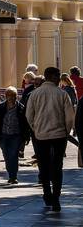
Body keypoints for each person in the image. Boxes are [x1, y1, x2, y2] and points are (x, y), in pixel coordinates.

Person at [25, 66, 74, 211]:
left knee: (44, 165)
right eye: (58, 75)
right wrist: (66, 130)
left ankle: (47, 194)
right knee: (57, 167)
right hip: (59, 135)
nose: (59, 78)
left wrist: (35, 128)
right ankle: (56, 198)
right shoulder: (62, 94)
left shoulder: (35, 94)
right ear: (52, 77)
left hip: (41, 135)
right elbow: (69, 116)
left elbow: (29, 115)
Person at [0, 86, 28, 184]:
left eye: (13, 95)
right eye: (9, 95)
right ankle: (10, 172)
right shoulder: (1, 107)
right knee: (6, 155)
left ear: (16, 97)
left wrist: (26, 136)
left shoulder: (21, 107)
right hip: (3, 135)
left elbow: (25, 123)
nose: (11, 97)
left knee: (13, 155)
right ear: (6, 96)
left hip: (16, 135)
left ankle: (13, 176)